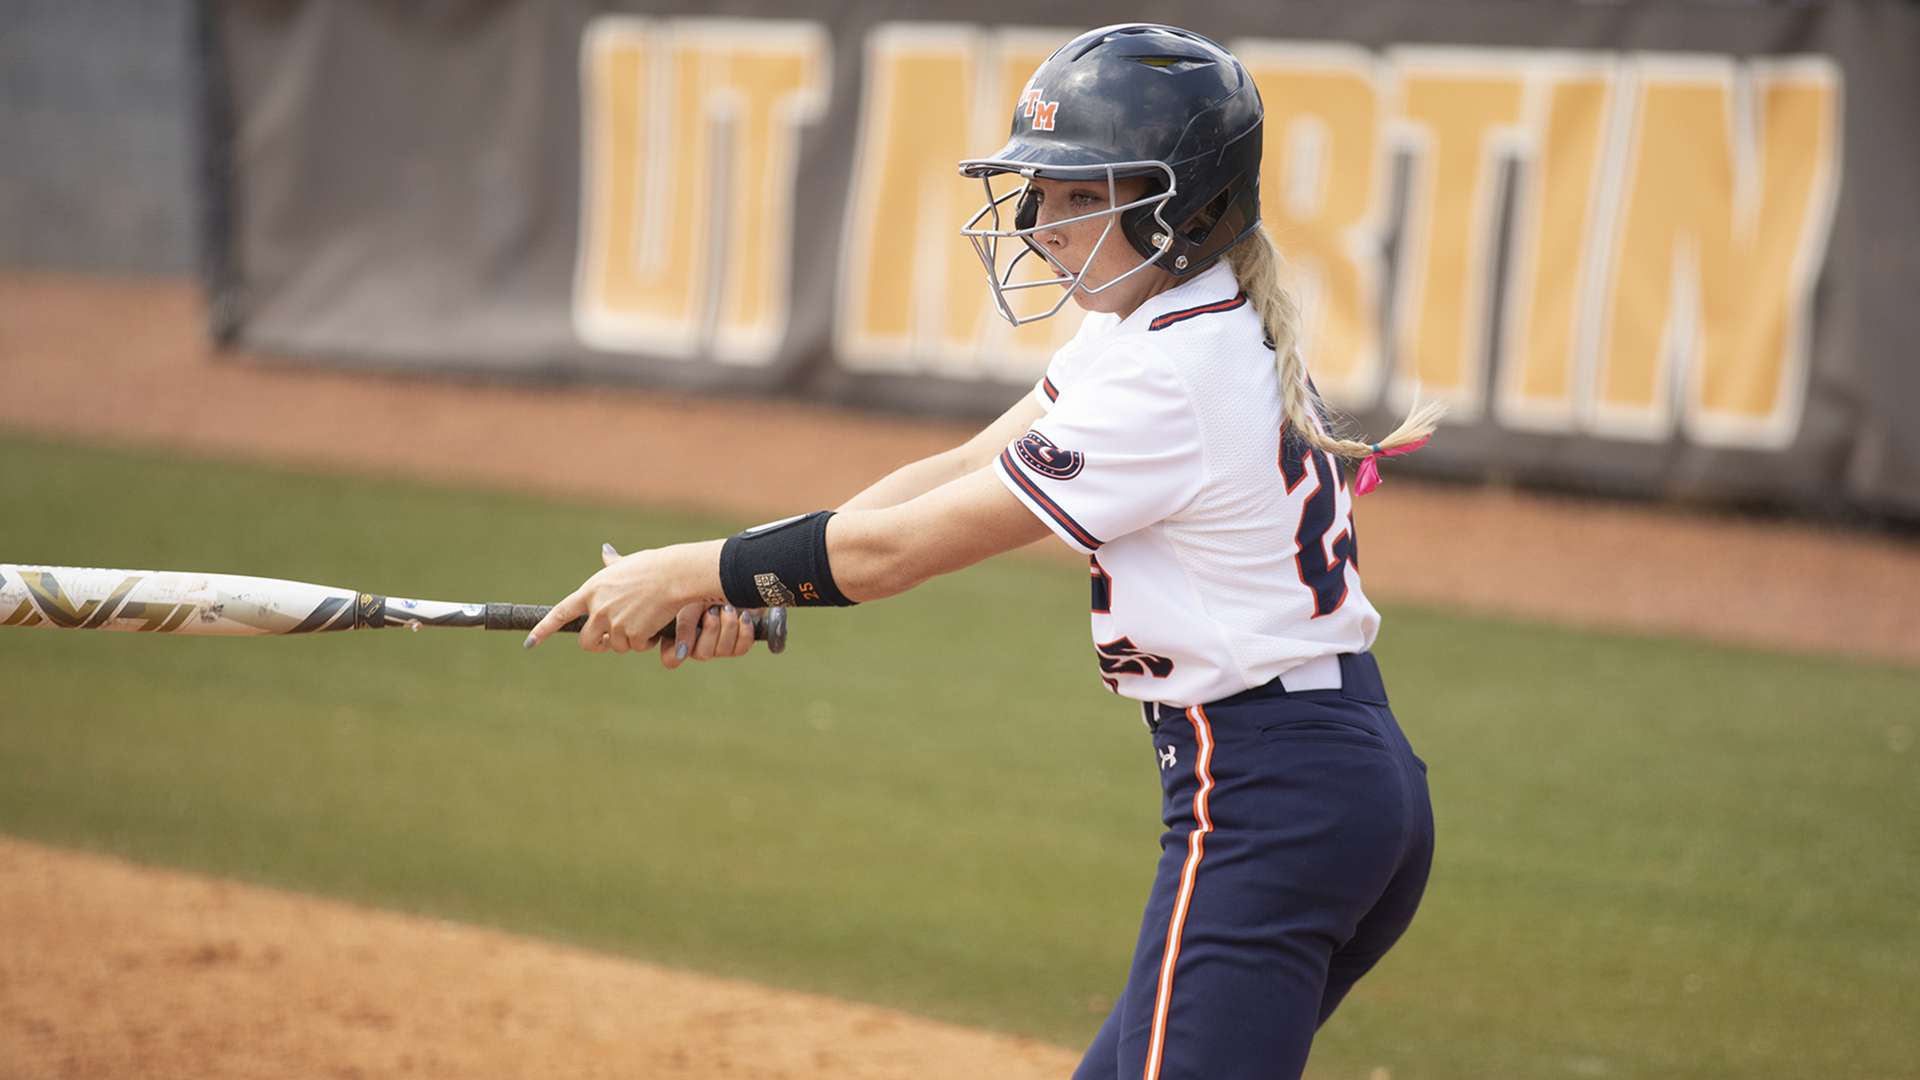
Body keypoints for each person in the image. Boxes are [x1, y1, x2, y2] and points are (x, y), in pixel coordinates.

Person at [527, 23, 1440, 1079]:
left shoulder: (1169, 375)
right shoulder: (1164, 320)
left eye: (1083, 196)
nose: (1044, 224)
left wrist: (689, 569)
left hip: (1272, 799)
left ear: (1191, 206)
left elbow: (899, 553)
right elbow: (959, 468)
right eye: (1043, 194)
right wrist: (755, 582)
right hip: (1329, 779)